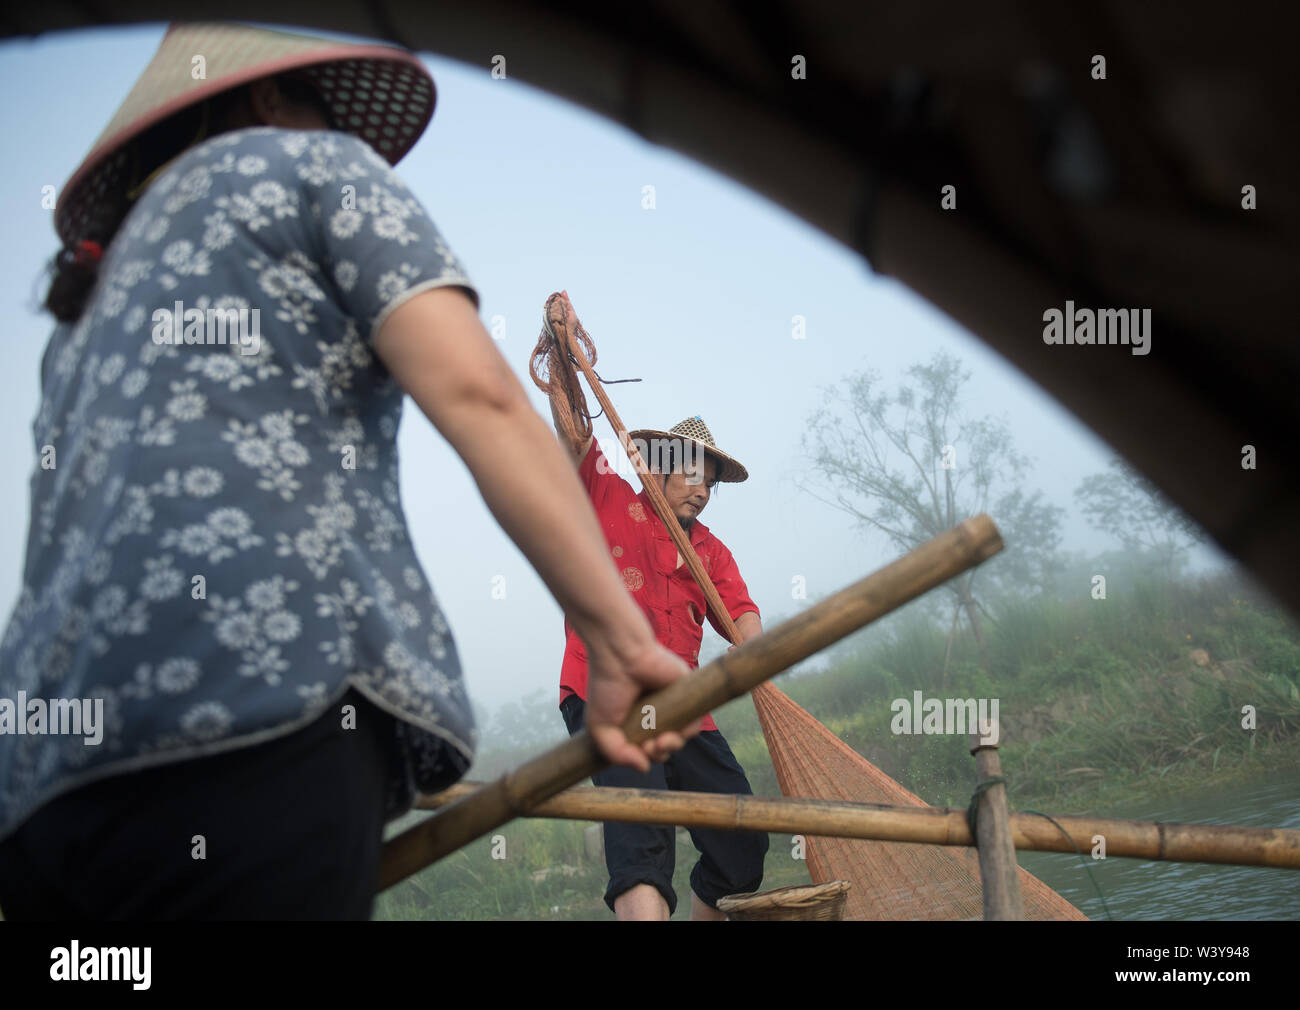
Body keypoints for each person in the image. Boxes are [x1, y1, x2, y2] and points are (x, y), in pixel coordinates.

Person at [0, 22, 694, 921]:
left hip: (42, 780)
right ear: (264, 98)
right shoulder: (308, 169)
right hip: (255, 702)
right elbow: (480, 398)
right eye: (324, 111)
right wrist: (615, 635)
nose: (339, 134)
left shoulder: (84, 309)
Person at [546, 350, 769, 920]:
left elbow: (741, 613)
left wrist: (756, 648)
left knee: (742, 839)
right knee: (642, 838)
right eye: (691, 474)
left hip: (685, 709)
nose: (700, 490)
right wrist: (564, 355)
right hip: (608, 691)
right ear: (660, 467)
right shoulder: (610, 497)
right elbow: (575, 432)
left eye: (710, 483)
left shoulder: (711, 554)